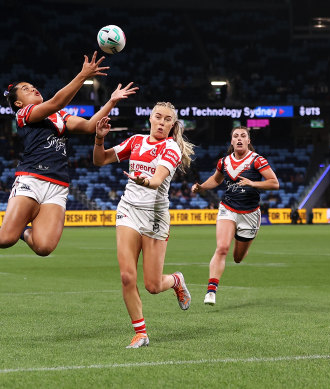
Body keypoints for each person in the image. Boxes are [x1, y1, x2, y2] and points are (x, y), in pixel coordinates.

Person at [0, 52, 138, 271]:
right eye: (26, 89)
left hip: (58, 185)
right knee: (5, 239)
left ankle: (22, 231)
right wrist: (82, 75)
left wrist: (111, 101)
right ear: (19, 102)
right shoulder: (24, 113)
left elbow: (88, 126)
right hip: (31, 179)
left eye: (32, 86)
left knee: (44, 247)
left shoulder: (60, 117)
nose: (32, 88)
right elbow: (56, 102)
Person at [93, 102, 195, 348]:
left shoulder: (171, 148)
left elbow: (157, 179)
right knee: (127, 276)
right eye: (158, 117)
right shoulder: (136, 141)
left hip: (155, 217)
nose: (161, 122)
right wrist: (98, 139)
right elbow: (100, 160)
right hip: (128, 210)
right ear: (150, 118)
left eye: (167, 119)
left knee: (152, 285)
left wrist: (144, 180)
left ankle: (176, 280)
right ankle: (141, 333)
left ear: (172, 125)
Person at [192, 126, 279, 306]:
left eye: (243, 136)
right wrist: (201, 186)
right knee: (222, 247)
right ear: (231, 141)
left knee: (238, 258)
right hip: (228, 208)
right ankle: (211, 291)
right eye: (236, 136)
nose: (239, 139)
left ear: (249, 141)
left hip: (250, 214)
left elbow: (274, 183)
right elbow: (216, 179)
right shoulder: (223, 162)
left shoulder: (257, 160)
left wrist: (252, 183)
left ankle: (241, 246)